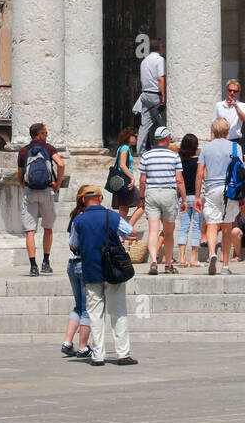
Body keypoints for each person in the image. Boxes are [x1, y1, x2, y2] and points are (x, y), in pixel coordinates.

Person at [69, 185, 140, 365]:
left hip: (91, 271)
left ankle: (98, 356)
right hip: (114, 270)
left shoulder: (79, 220)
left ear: (84, 200)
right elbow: (130, 231)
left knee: (94, 314)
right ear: (101, 198)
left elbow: (73, 244)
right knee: (118, 313)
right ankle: (123, 354)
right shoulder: (112, 216)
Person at [197, 117, 244, 275]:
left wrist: (197, 196)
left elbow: (199, 174)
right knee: (227, 227)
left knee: (211, 224)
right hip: (230, 189)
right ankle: (225, 265)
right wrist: (243, 196)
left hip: (211, 188)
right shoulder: (236, 147)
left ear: (214, 131)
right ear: (227, 130)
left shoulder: (206, 148)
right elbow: (241, 173)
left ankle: (211, 253)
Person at [17, 121, 65, 276]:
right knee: (48, 227)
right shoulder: (49, 148)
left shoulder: (24, 151)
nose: (46, 135)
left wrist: (24, 186)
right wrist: (57, 183)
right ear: (40, 134)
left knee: (30, 230)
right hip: (46, 191)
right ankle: (45, 262)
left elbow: (19, 174)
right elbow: (61, 164)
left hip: (30, 191)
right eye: (45, 133)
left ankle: (33, 266)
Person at [138, 126, 186, 275]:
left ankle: (153, 261)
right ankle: (168, 264)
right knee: (168, 232)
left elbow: (142, 180)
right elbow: (179, 180)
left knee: (153, 230)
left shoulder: (146, 156)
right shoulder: (174, 156)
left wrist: (141, 197)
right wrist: (184, 198)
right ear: (166, 139)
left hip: (151, 193)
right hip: (168, 193)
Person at [61, 189, 92, 359]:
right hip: (84, 264)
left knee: (78, 305)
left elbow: (71, 243)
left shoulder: (75, 215)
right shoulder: (86, 217)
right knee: (87, 308)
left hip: (71, 264)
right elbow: (75, 244)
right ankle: (83, 347)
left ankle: (67, 342)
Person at [132, 39, 165, 152]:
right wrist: (164, 99)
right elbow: (161, 79)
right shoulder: (159, 60)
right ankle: (164, 148)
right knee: (162, 123)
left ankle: (140, 151)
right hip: (155, 95)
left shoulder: (144, 61)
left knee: (145, 124)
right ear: (160, 48)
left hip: (145, 95)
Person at [176, 133, 201, 268]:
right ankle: (193, 258)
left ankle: (181, 258)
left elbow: (178, 180)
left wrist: (183, 198)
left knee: (184, 228)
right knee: (197, 227)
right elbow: (203, 177)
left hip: (183, 198)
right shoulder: (199, 161)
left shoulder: (179, 160)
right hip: (197, 197)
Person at [111, 126, 140, 220]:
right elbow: (122, 165)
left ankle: (121, 231)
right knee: (141, 203)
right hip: (125, 180)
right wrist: (132, 177)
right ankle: (128, 228)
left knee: (123, 208)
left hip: (122, 180)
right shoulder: (125, 148)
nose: (136, 139)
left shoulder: (122, 148)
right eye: (135, 136)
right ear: (129, 136)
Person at [213, 79, 245, 143]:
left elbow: (244, 119)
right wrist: (212, 141)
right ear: (227, 91)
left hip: (235, 140)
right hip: (221, 141)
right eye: (230, 90)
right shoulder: (218, 105)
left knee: (235, 153)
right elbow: (213, 125)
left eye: (235, 91)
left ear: (238, 93)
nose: (232, 93)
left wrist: (236, 106)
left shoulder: (242, 105)